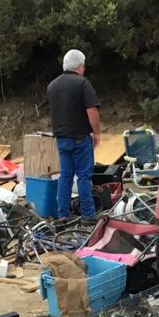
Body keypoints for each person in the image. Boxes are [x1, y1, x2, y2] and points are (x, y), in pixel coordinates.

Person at [47, 49, 101, 218]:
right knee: (84, 177)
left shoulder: (52, 86)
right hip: (80, 138)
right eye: (83, 66)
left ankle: (63, 215)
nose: (84, 69)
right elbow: (92, 111)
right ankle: (88, 215)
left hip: (61, 139)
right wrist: (97, 133)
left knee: (65, 177)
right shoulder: (82, 83)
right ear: (78, 66)